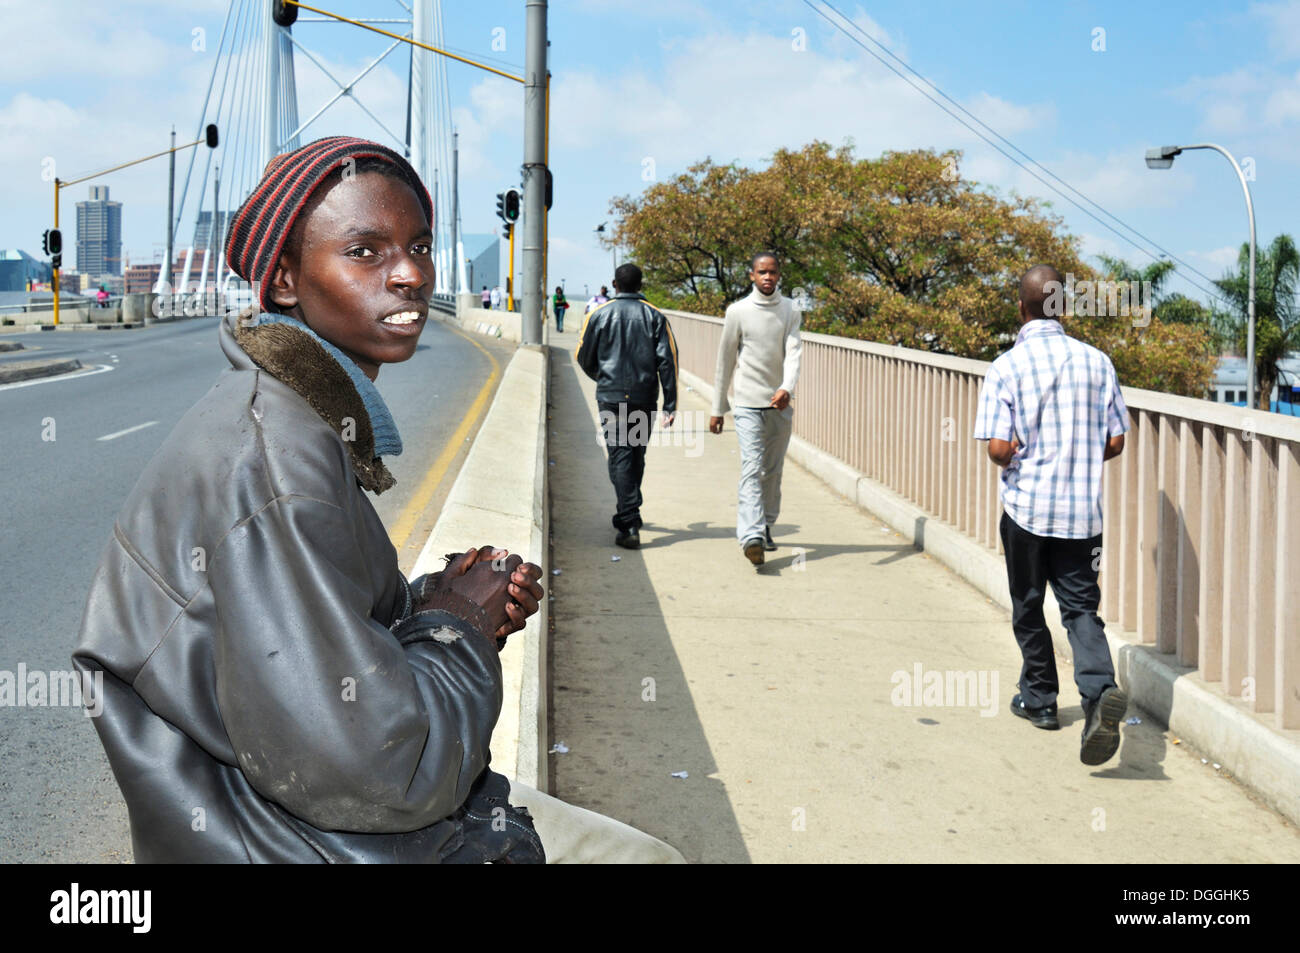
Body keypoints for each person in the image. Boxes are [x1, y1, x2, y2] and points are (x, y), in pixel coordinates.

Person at [72, 136, 682, 864]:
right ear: (287, 279)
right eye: (365, 251)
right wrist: (460, 627)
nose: (412, 274)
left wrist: (439, 598)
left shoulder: (294, 416)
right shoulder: (280, 457)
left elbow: (320, 638)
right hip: (290, 840)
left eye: (419, 246)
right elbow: (384, 771)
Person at [973, 263, 1130, 766]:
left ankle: (1039, 701)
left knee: (1027, 603)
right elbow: (1115, 440)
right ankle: (1099, 695)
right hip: (1082, 515)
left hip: (1027, 510)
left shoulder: (1006, 366)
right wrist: (1079, 452)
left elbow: (998, 448)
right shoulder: (1098, 362)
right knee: (1081, 610)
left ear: (1020, 308)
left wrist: (1013, 452)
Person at [575, 262, 678, 549]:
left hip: (611, 396)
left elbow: (583, 355)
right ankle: (630, 511)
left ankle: (629, 520)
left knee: (620, 455)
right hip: (645, 397)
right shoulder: (655, 316)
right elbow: (668, 362)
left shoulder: (599, 314)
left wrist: (603, 377)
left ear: (615, 284)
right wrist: (671, 403)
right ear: (641, 284)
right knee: (635, 454)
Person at [708, 252, 801, 567]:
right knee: (751, 467)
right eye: (762, 272)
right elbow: (725, 360)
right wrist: (718, 407)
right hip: (747, 402)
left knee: (772, 471)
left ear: (779, 275)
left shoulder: (790, 310)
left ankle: (766, 525)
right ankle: (751, 536)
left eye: (773, 272)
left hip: (779, 403)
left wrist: (786, 387)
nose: (768, 278)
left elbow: (794, 351)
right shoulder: (738, 311)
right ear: (751, 275)